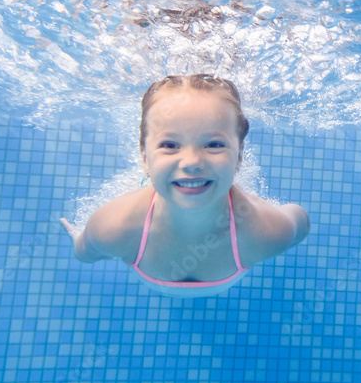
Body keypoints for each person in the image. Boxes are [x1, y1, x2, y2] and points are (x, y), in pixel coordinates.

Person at [60, 74, 309, 297]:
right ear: (144, 157)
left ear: (240, 154)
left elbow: (299, 221)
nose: (191, 162)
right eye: (170, 145)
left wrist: (262, 209)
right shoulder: (112, 228)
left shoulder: (266, 232)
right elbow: (83, 251)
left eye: (213, 145)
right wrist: (81, 236)